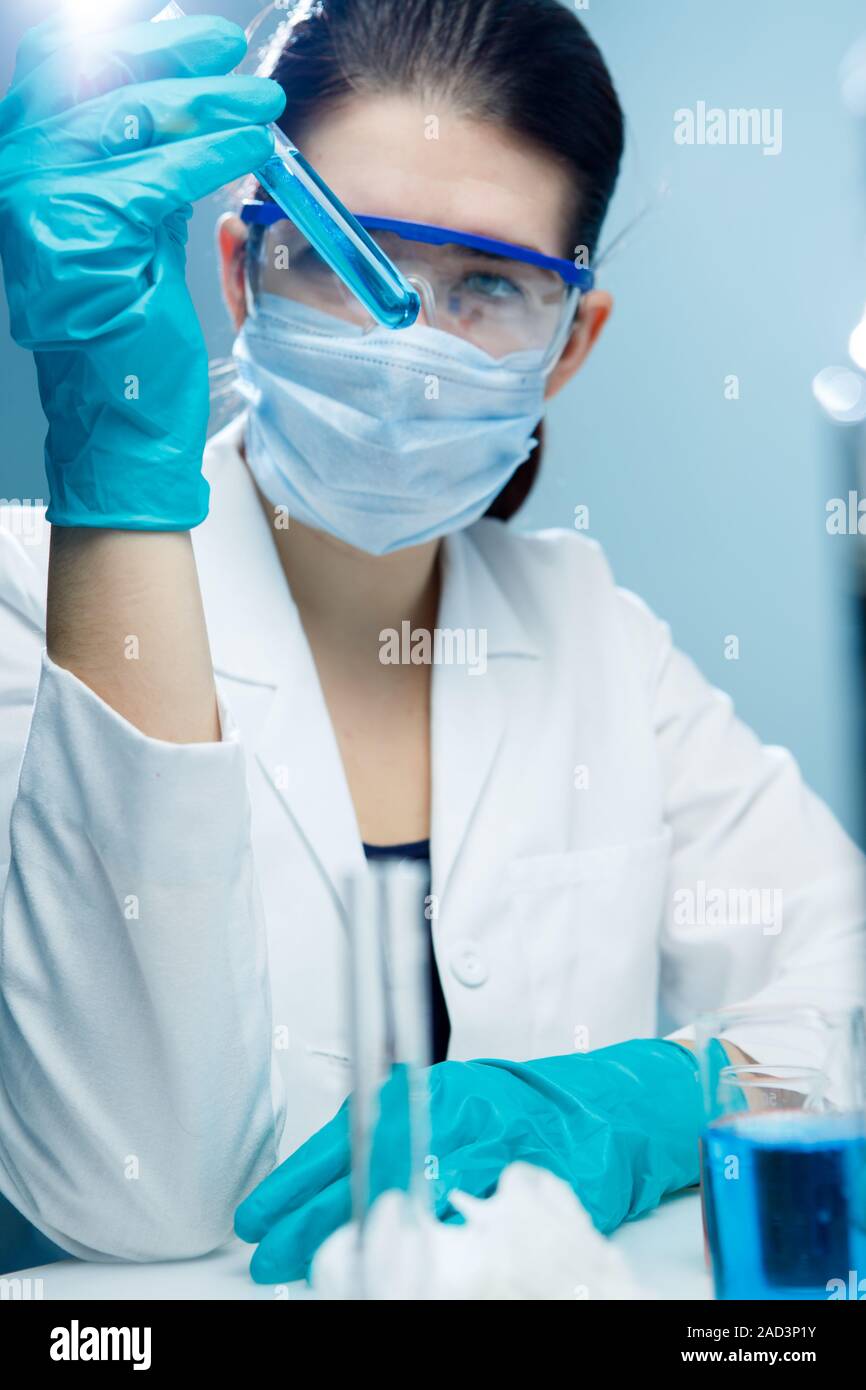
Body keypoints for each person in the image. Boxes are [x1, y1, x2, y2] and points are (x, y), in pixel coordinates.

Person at [0, 0, 863, 1285]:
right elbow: (135, 1198)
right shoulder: (32, 592)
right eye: (346, 258)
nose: (404, 343)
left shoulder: (594, 636)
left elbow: (838, 973)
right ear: (239, 275)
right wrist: (113, 469)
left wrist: (654, 1096)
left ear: (569, 343)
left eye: (488, 290)